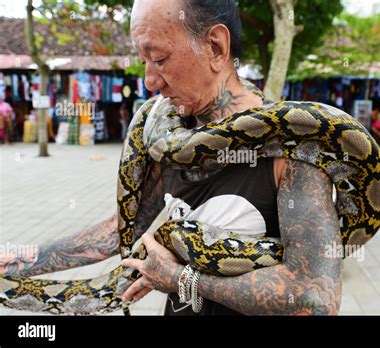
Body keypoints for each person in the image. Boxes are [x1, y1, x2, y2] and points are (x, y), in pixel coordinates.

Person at [0, 0, 342, 315]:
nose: (149, 82)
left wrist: (181, 279)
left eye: (160, 59)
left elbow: (316, 298)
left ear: (216, 47)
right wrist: (15, 259)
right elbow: (120, 232)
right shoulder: (167, 136)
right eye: (143, 61)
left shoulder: (296, 148)